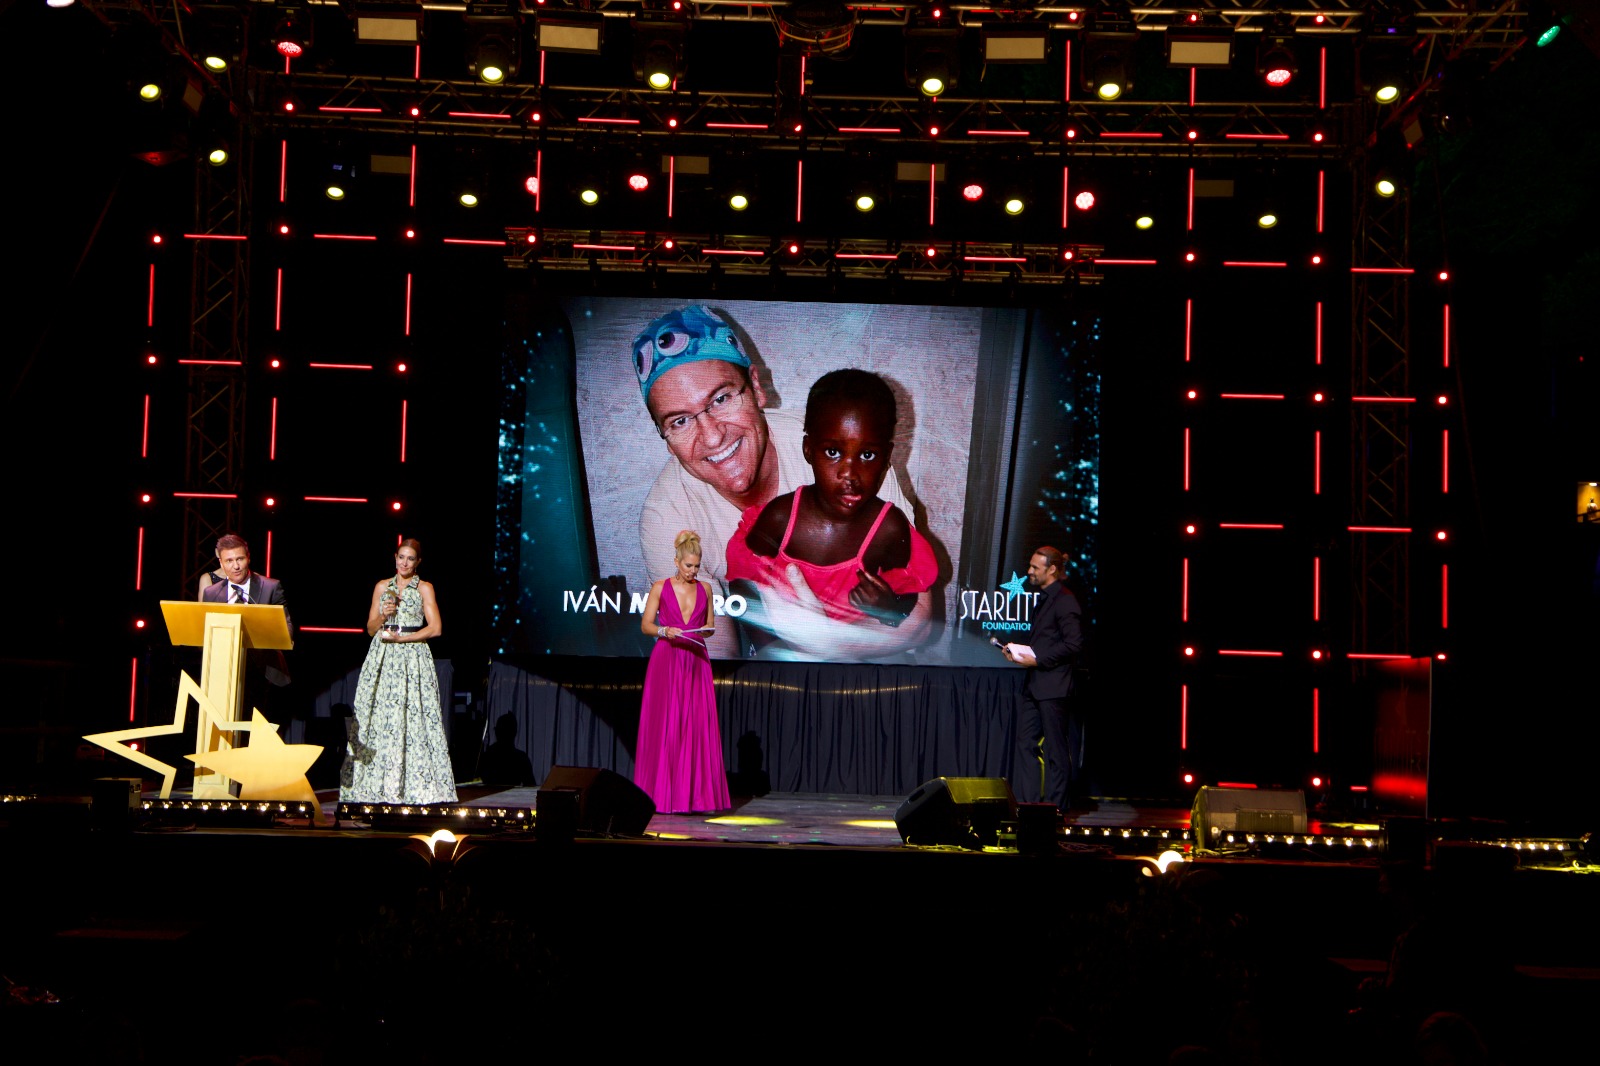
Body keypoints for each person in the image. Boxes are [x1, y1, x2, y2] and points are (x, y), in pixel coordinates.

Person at [633, 304, 932, 658]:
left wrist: (825, 642)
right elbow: (705, 648)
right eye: (679, 421)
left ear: (756, 387)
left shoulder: (842, 447)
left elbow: (918, 618)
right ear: (663, 437)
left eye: (722, 398)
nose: (712, 437)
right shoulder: (666, 517)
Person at [725, 368, 937, 629]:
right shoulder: (780, 518)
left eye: (867, 455)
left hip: (853, 655)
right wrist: (774, 652)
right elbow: (744, 585)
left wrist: (889, 606)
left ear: (886, 458)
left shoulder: (888, 528)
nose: (850, 474)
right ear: (809, 450)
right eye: (834, 452)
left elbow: (909, 598)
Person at [340, 539, 457, 806]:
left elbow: (435, 628)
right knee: (379, 719)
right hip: (381, 656)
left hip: (412, 655)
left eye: (410, 559)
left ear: (418, 562)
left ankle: (413, 787)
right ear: (395, 557)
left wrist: (403, 639)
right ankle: (373, 785)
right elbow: (370, 629)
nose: (404, 563)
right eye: (401, 557)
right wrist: (383, 615)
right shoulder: (382, 587)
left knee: (411, 718)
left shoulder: (424, 588)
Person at [634, 530, 729, 814]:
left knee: (696, 725)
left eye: (697, 566)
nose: (693, 571)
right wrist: (665, 630)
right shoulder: (661, 587)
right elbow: (646, 625)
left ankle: (696, 797)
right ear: (677, 561)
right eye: (689, 565)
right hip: (668, 658)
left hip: (697, 659)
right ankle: (661, 795)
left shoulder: (706, 589)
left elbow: (710, 625)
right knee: (666, 725)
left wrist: (706, 630)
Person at [1004, 545, 1084, 815]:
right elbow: (1047, 640)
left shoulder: (1065, 600)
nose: (1028, 572)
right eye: (1030, 566)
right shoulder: (1045, 598)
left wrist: (1037, 660)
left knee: (1055, 751)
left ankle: (1056, 808)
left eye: (1035, 568)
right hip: (1035, 685)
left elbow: (1074, 644)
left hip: (1054, 686)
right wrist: (1019, 652)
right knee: (1025, 743)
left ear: (1051, 569)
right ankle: (1028, 805)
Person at [199, 532, 294, 701]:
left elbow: (285, 627)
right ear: (220, 562)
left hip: (264, 674)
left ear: (248, 558)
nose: (236, 566)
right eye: (229, 561)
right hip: (224, 675)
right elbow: (205, 634)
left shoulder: (270, 587)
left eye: (240, 559)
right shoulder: (211, 593)